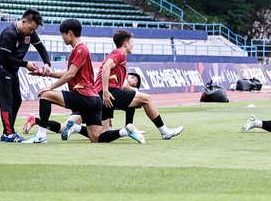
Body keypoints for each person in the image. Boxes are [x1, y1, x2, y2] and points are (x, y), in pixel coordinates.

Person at [23, 19, 144, 144]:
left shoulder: (80, 50)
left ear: (69, 33)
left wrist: (51, 87)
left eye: (62, 34)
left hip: (83, 95)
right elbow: (69, 73)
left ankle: (41, 135)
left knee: (45, 95)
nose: (62, 38)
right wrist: (46, 74)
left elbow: (70, 74)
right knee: (96, 137)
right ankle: (125, 131)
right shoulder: (79, 50)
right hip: (93, 99)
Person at [48, 30, 184, 141]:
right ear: (125, 43)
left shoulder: (117, 58)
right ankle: (164, 131)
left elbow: (123, 84)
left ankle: (76, 128)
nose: (133, 45)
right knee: (146, 99)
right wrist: (106, 91)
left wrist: (130, 89)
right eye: (132, 42)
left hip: (100, 94)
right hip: (108, 92)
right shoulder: (120, 53)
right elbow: (107, 67)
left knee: (100, 135)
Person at [0, 9, 51, 142]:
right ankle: (9, 134)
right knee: (7, 102)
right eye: (30, 29)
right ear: (23, 21)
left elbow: (41, 47)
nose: (31, 32)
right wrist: (26, 64)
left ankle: (8, 131)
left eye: (33, 30)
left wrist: (47, 63)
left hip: (13, 71)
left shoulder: (30, 33)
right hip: (1, 70)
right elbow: (6, 58)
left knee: (17, 100)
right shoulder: (9, 33)